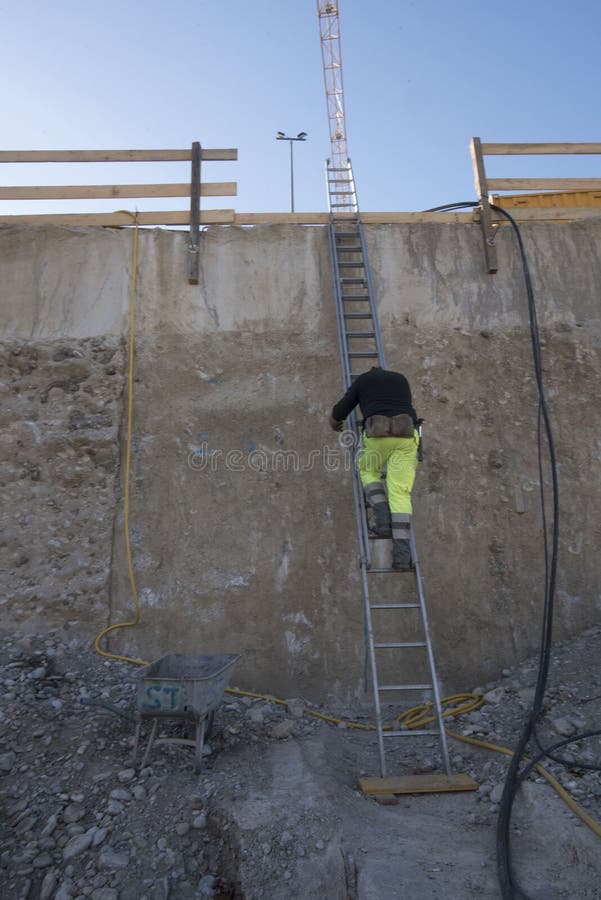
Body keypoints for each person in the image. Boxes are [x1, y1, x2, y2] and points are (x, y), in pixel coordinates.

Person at [329, 366, 420, 571]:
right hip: (407, 435)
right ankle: (402, 558)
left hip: (378, 435)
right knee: (400, 492)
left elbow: (341, 409)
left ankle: (382, 520)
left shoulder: (363, 380)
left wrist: (334, 422)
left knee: (368, 471)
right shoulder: (401, 377)